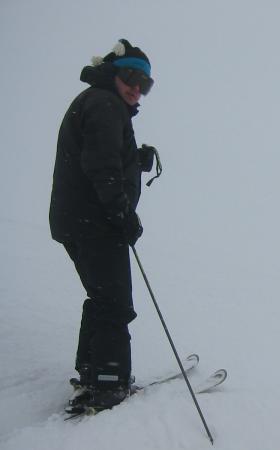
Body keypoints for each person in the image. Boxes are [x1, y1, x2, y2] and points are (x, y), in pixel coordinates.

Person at [49, 39, 159, 411]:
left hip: (80, 220)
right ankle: (109, 385)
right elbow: (102, 170)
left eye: (144, 84)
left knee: (102, 298)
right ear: (114, 73)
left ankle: (92, 373)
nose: (135, 88)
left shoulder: (100, 104)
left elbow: (101, 156)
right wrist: (123, 215)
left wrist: (135, 159)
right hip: (94, 222)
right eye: (130, 77)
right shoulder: (104, 105)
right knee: (114, 303)